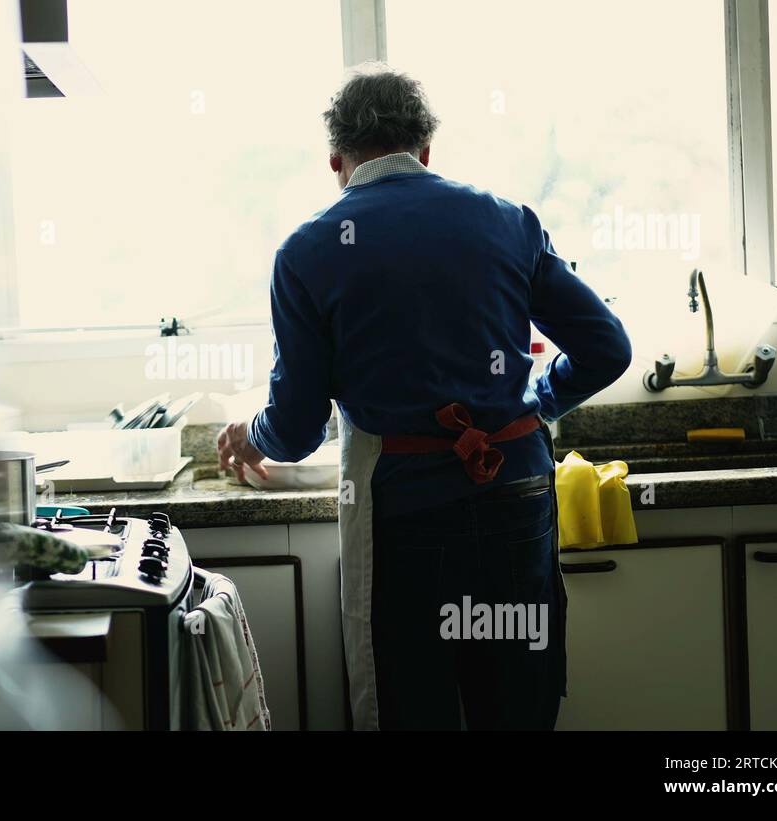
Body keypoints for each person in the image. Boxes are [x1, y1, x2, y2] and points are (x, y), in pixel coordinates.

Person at [216, 64, 632, 730]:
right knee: (517, 705)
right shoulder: (507, 220)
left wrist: (249, 434)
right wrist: (535, 402)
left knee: (414, 708)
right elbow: (607, 348)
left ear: (336, 161)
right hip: (516, 500)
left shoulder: (309, 249)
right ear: (425, 149)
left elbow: (295, 428)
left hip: (407, 515)